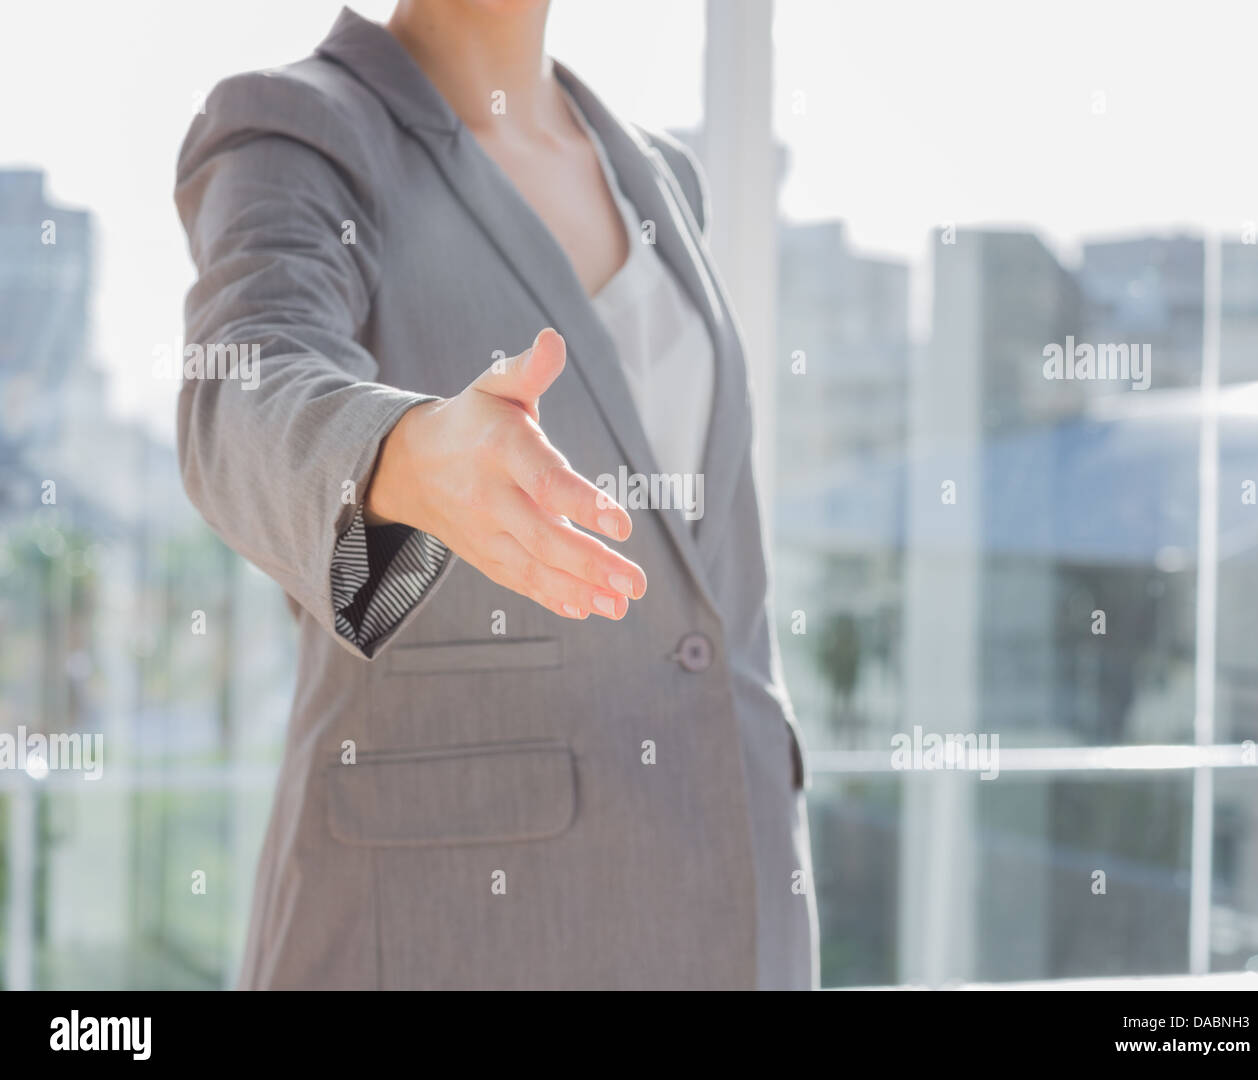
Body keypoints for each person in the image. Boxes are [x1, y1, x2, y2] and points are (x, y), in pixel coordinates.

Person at [174, 0, 817, 989]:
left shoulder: (659, 175)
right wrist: (405, 453)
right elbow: (245, 387)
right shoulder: (299, 130)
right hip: (453, 929)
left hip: (735, 900)